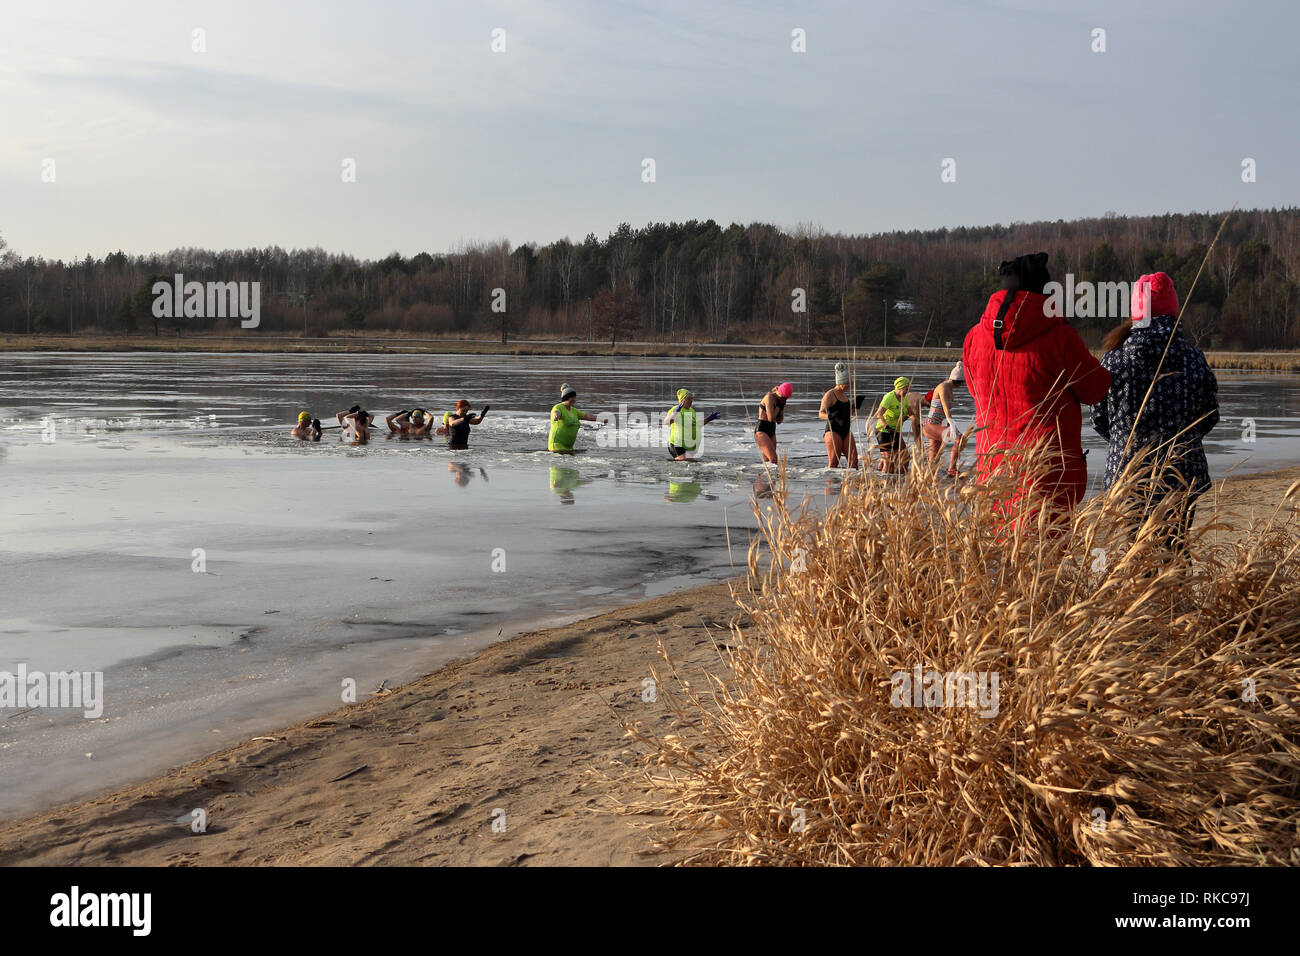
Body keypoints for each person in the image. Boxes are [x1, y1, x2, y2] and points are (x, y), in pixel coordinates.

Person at [962, 252, 1111, 521]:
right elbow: (1095, 389)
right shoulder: (1059, 337)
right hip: (1046, 474)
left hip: (992, 470)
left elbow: (975, 391)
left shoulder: (974, 336)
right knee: (1048, 554)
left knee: (997, 556)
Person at [1092, 272, 1218, 550]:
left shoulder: (1114, 359)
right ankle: (1176, 593)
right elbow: (1210, 415)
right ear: (1173, 308)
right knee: (1176, 549)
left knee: (1133, 551)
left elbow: (1098, 418)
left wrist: (1126, 442)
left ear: (1136, 311)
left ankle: (1135, 592)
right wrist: (1183, 439)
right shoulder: (1193, 358)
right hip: (1181, 474)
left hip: (1128, 475)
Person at [921, 363, 970, 476]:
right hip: (931, 426)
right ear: (958, 381)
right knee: (960, 439)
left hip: (938, 425)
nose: (961, 386)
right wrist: (952, 424)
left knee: (933, 461)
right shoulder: (943, 387)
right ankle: (952, 469)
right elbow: (944, 406)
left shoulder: (950, 388)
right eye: (962, 383)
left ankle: (927, 479)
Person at [872, 377, 921, 473]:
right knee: (889, 461)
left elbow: (910, 414)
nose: (907, 391)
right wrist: (887, 426)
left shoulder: (905, 399)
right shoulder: (889, 397)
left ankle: (901, 479)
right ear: (899, 387)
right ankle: (884, 483)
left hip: (896, 431)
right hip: (884, 431)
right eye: (905, 389)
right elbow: (878, 414)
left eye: (908, 389)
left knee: (906, 458)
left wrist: (917, 422)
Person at [819, 362, 862, 468]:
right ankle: (831, 484)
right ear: (841, 383)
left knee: (854, 463)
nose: (849, 386)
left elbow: (847, 413)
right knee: (834, 462)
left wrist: (855, 406)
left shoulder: (844, 395)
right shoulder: (830, 394)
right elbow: (820, 414)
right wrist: (831, 416)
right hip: (833, 431)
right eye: (848, 384)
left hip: (846, 431)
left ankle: (852, 483)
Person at [664, 388, 721, 461]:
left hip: (688, 445)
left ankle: (673, 461)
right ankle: (668, 462)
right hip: (676, 444)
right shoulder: (675, 409)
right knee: (686, 460)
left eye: (692, 399)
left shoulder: (691, 410)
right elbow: (666, 422)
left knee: (690, 463)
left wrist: (708, 419)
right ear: (682, 400)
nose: (691, 401)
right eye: (688, 399)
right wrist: (675, 412)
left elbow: (696, 425)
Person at [548, 383, 598, 452]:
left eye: (575, 397)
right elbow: (556, 412)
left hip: (569, 448)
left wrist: (601, 419)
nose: (574, 399)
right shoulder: (558, 407)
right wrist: (556, 416)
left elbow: (588, 416)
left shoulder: (574, 411)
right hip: (557, 446)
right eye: (572, 397)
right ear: (566, 398)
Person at [754, 382, 793, 463]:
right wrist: (779, 406)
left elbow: (779, 421)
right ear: (779, 392)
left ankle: (763, 475)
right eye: (783, 397)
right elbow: (771, 418)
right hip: (762, 430)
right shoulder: (769, 397)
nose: (784, 399)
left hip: (772, 430)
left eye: (786, 398)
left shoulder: (780, 400)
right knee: (774, 459)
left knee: (768, 460)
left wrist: (782, 407)